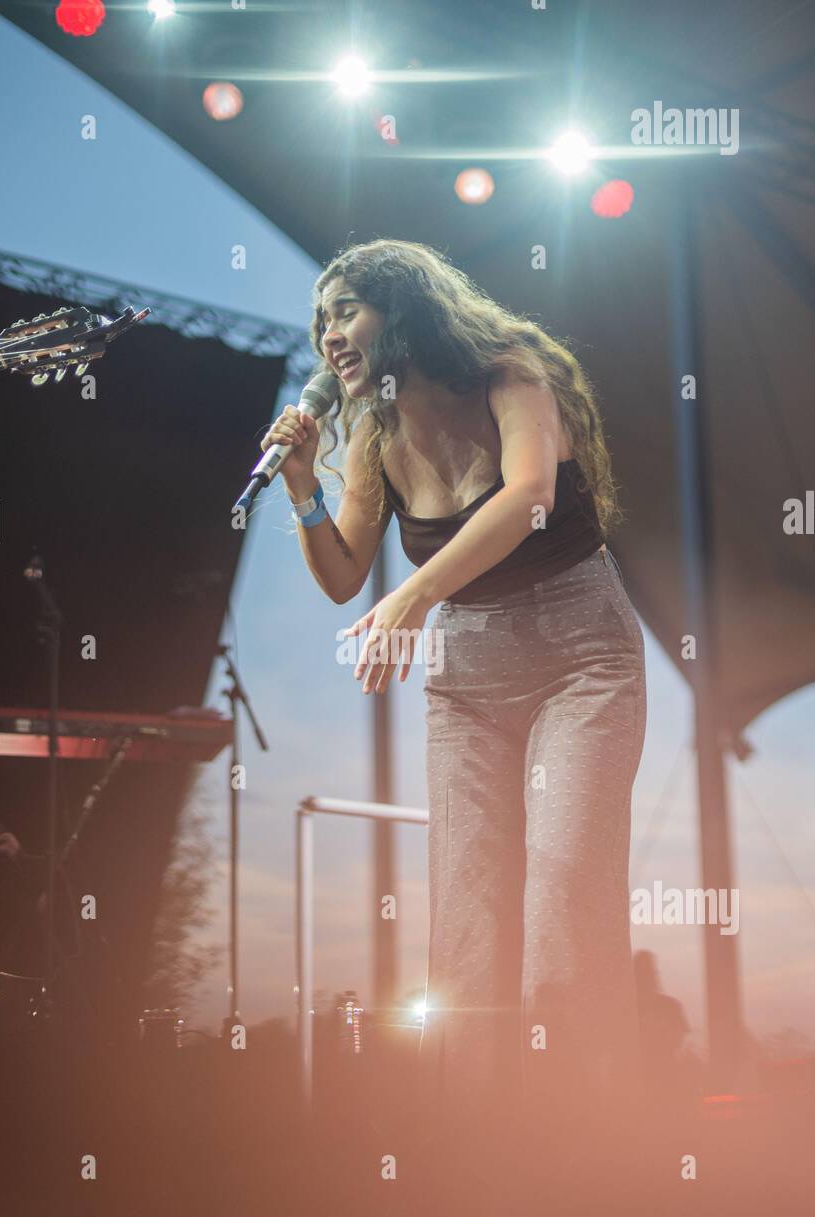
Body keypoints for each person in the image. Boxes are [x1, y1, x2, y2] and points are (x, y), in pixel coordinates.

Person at [262, 239, 647, 1147]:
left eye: (346, 310)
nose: (329, 335)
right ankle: (475, 1158)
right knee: (467, 925)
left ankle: (592, 1146)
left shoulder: (508, 374)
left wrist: (412, 596)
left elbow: (530, 496)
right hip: (466, 680)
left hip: (579, 657)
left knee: (561, 896)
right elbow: (342, 573)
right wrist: (299, 489)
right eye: (320, 321)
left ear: (404, 311)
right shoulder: (373, 436)